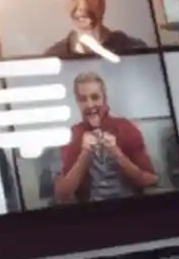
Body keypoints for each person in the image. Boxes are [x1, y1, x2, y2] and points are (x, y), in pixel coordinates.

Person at [55, 72, 158, 204]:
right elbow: (62, 194)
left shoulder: (126, 128)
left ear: (105, 99)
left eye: (95, 97)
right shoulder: (71, 136)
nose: (90, 104)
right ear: (77, 102)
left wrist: (117, 154)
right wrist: (84, 156)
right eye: (83, 99)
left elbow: (151, 180)